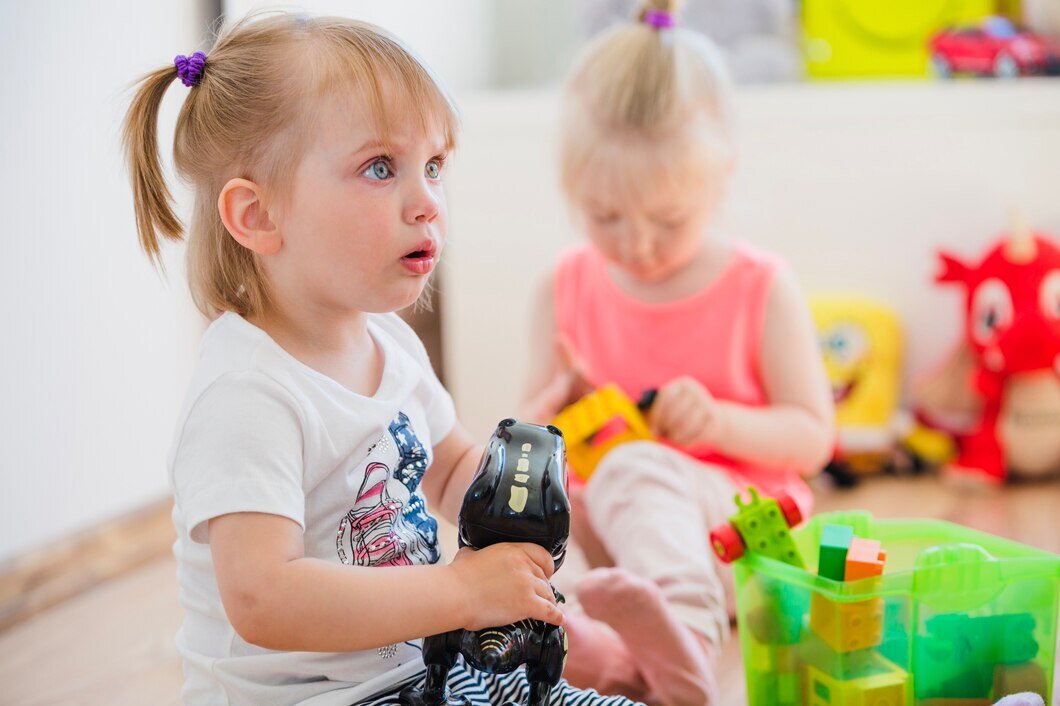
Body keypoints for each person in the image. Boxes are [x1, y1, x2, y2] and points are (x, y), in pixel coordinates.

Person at [122, 12, 641, 706]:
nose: (427, 200)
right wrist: (458, 590)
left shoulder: (388, 340)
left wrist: (522, 518)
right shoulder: (246, 394)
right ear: (258, 216)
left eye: (433, 166)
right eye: (379, 167)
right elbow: (263, 598)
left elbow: (451, 465)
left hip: (425, 672)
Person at [518, 1, 834, 703]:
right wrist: (551, 419)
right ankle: (624, 644)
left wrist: (721, 423)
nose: (637, 246)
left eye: (668, 219)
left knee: (636, 468)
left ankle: (685, 641)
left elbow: (813, 437)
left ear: (721, 177)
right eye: (604, 216)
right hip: (619, 552)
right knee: (561, 511)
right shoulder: (562, 289)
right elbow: (530, 452)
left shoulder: (760, 286)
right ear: (571, 192)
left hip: (746, 545)